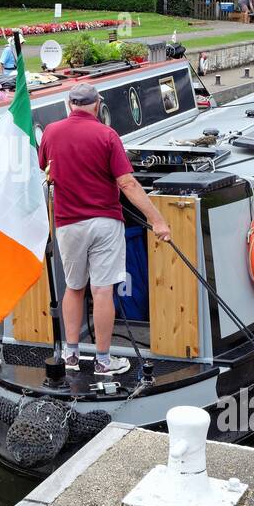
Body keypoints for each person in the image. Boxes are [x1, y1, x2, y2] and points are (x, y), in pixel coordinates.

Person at [38, 83, 172, 376]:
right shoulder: (107, 135)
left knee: (74, 288)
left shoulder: (50, 132)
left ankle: (71, 356)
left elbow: (45, 169)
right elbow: (127, 183)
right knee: (101, 290)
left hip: (68, 223)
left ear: (69, 104)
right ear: (97, 105)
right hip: (105, 222)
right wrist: (157, 220)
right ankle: (102, 360)